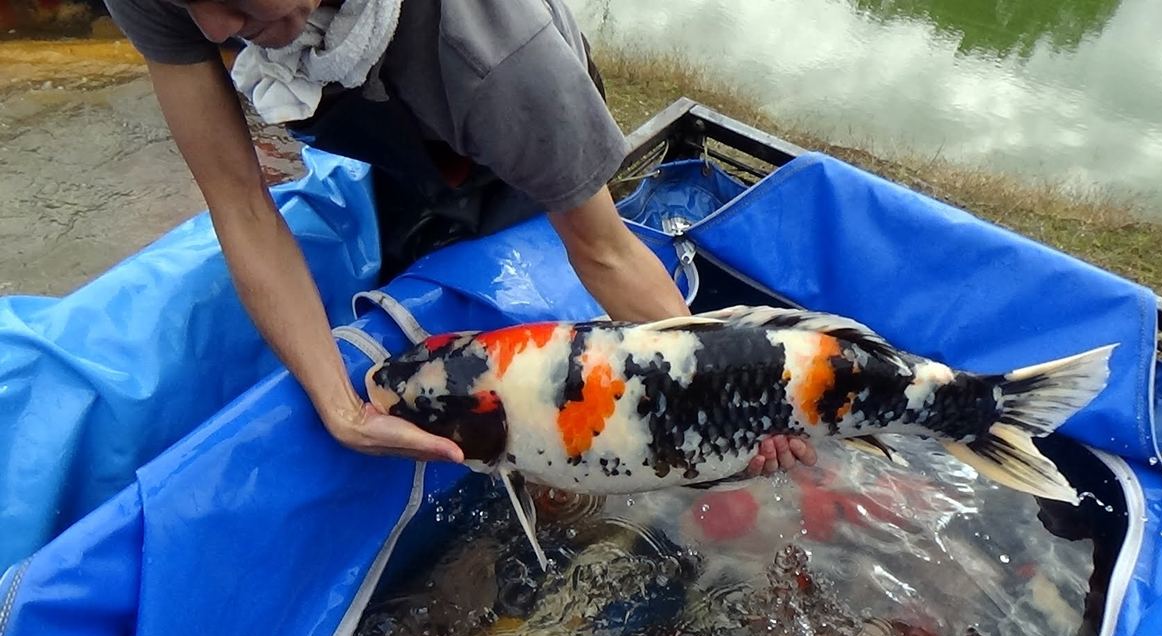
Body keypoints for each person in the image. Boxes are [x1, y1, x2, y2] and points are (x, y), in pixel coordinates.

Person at [100, 0, 817, 475]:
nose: (214, 28)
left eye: (238, 2)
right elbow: (239, 201)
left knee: (547, 339)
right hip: (388, 128)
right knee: (419, 249)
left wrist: (735, 398)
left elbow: (606, 251)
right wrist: (340, 409)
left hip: (505, 116)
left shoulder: (501, 61)